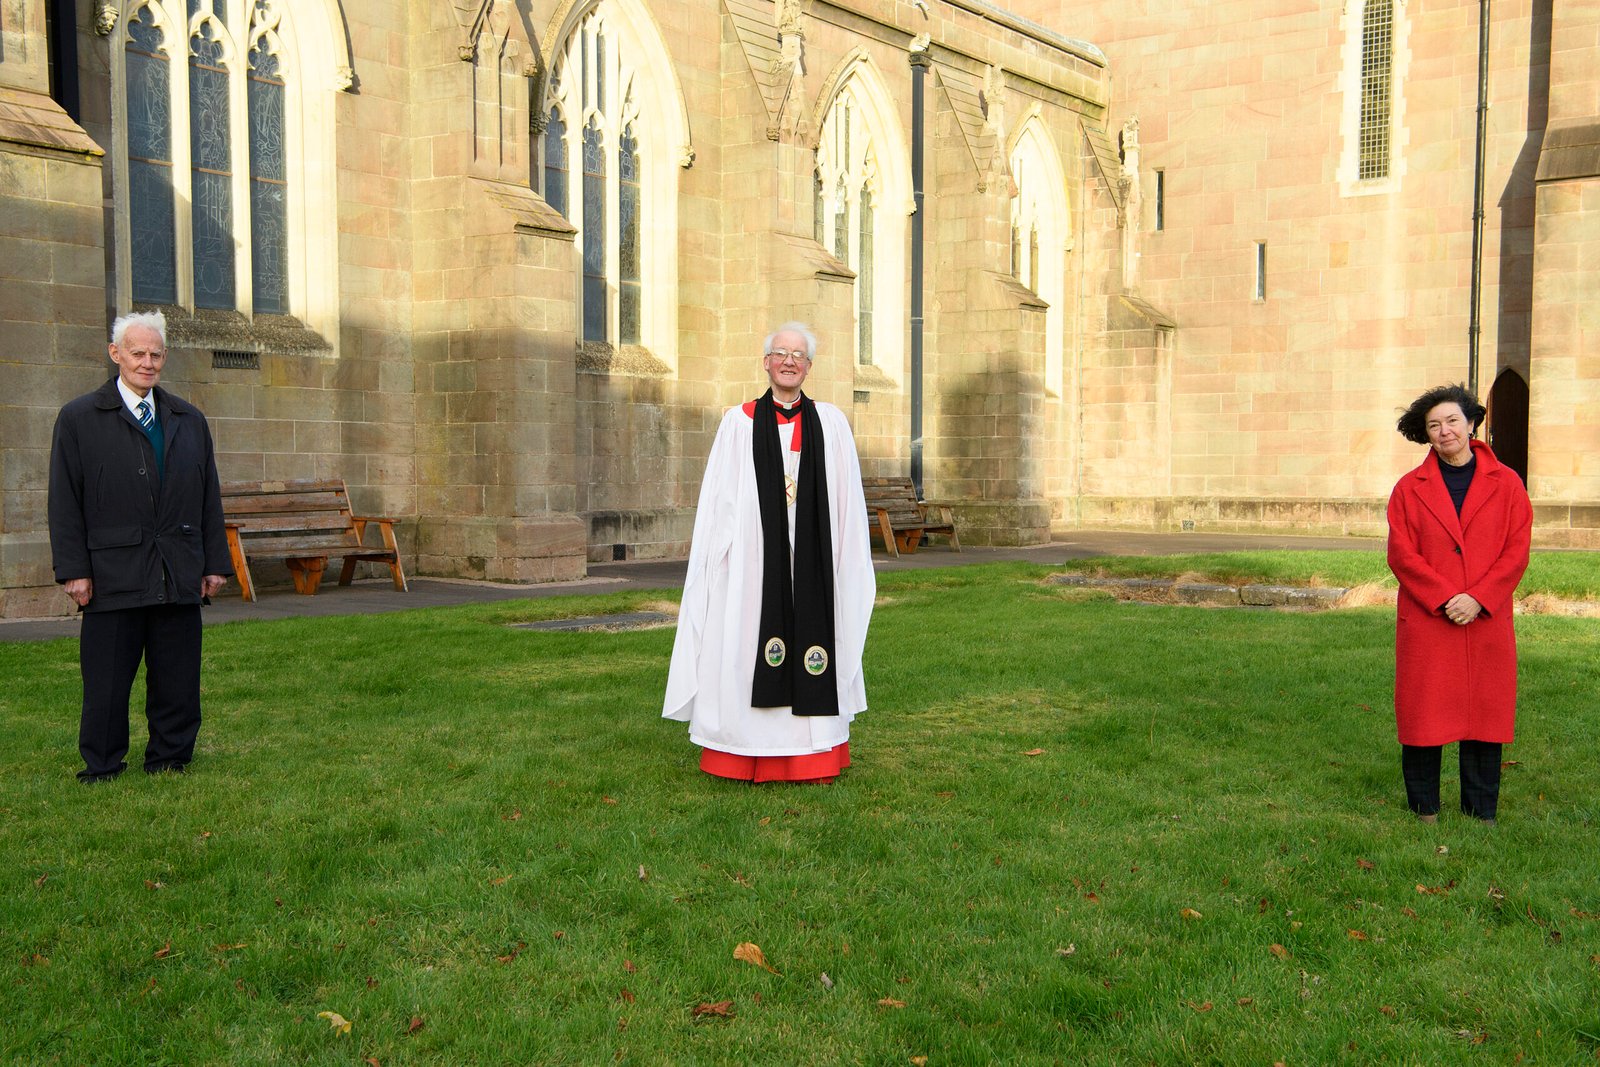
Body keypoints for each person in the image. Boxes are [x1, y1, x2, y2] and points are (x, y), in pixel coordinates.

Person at [664, 322, 875, 782]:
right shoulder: (737, 423)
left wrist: (842, 559)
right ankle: (744, 751)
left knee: (814, 627)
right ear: (765, 362)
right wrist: (720, 562)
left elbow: (846, 502)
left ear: (809, 367)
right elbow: (718, 501)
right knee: (745, 639)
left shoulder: (831, 423)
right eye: (780, 352)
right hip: (755, 561)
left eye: (799, 355)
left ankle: (811, 754)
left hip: (813, 558)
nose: (789, 361)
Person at [48, 311, 232, 782]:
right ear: (116, 355)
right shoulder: (78, 418)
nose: (147, 363)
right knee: (107, 681)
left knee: (177, 678)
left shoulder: (188, 419)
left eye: (155, 354)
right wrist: (74, 570)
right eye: (137, 353)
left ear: (164, 356)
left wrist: (214, 563)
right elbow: (64, 500)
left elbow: (208, 494)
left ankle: (170, 760)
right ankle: (103, 766)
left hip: (178, 571)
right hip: (113, 573)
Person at [1386, 383, 1531, 825]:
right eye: (1434, 425)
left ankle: (1481, 812)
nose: (1444, 430)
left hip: (1485, 619)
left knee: (1484, 719)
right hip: (1430, 619)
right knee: (1423, 718)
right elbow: (1401, 554)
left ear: (1472, 424)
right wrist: (1447, 597)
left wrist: (1479, 598)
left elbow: (1517, 549)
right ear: (1426, 435)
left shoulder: (1507, 483)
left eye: (1452, 420)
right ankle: (1425, 811)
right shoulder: (1409, 489)